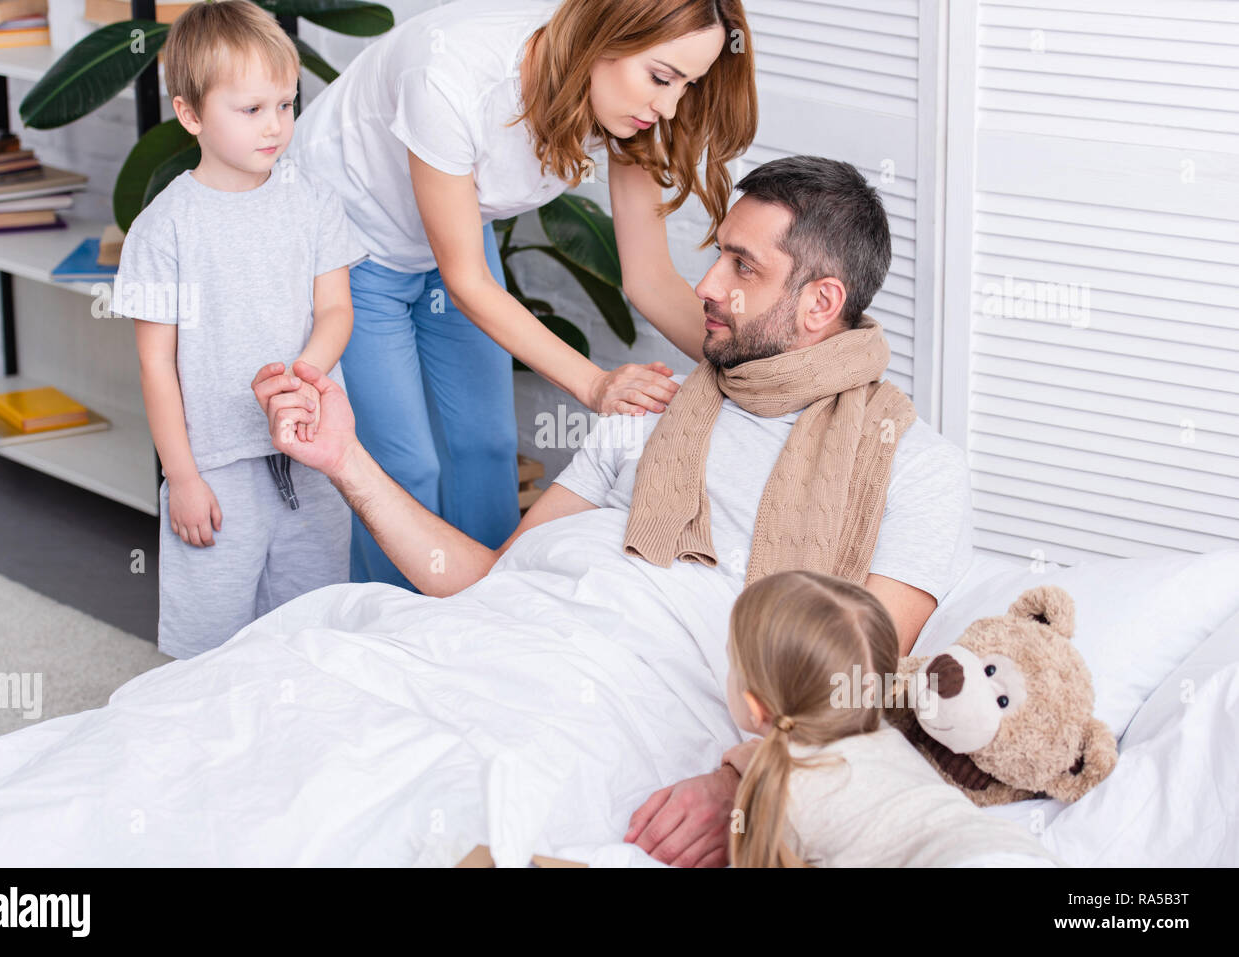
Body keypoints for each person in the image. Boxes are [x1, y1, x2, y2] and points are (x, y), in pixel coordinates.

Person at [256, 155, 977, 865]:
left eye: (742, 266)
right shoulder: (655, 408)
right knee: (286, 742)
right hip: (492, 637)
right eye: (716, 256)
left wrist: (738, 782)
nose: (706, 285)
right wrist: (344, 459)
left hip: (632, 696)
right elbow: (484, 578)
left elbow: (851, 683)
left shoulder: (911, 464)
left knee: (431, 809)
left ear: (820, 303)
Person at [284, 0, 758, 588]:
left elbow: (649, 278)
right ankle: (389, 638)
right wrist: (595, 382)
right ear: (600, 37)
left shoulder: (637, 107)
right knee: (404, 464)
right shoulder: (451, 73)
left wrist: (757, 368)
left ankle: (487, 617)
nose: (670, 105)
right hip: (349, 243)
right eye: (661, 77)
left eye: (688, 84)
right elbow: (468, 283)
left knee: (486, 445)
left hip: (450, 234)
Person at [112, 1, 368, 657]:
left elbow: (336, 310)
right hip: (216, 468)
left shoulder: (313, 203)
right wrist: (184, 478)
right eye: (251, 109)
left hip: (311, 454)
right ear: (191, 114)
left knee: (309, 628)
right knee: (210, 642)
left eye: (285, 104)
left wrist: (299, 376)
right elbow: (156, 368)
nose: (275, 126)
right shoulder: (164, 229)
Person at [723, 570, 1059, 867]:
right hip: (1013, 850)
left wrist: (751, 770)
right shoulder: (887, 733)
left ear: (755, 707)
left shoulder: (779, 796)